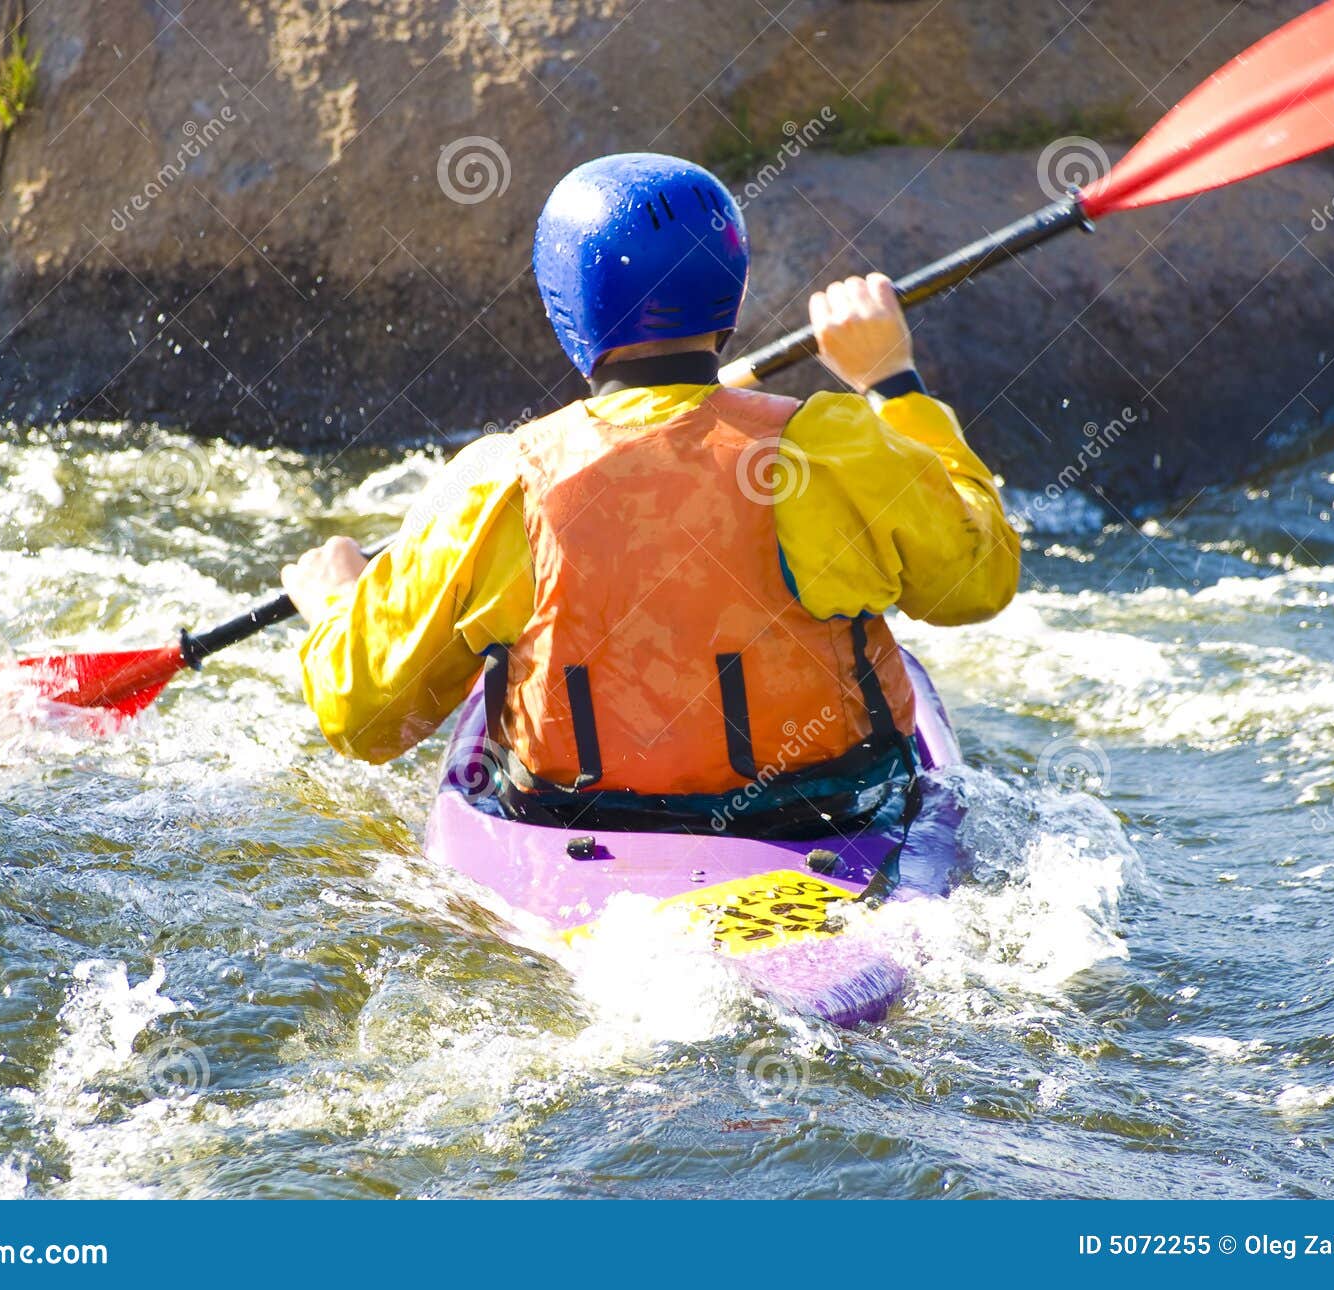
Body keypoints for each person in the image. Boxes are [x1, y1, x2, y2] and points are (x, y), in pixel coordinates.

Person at [283, 152, 1018, 833]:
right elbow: (976, 583)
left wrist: (341, 611)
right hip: (833, 821)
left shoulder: (497, 480)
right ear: (729, 291)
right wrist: (893, 381)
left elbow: (367, 720)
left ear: (564, 303)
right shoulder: (829, 441)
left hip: (575, 834)